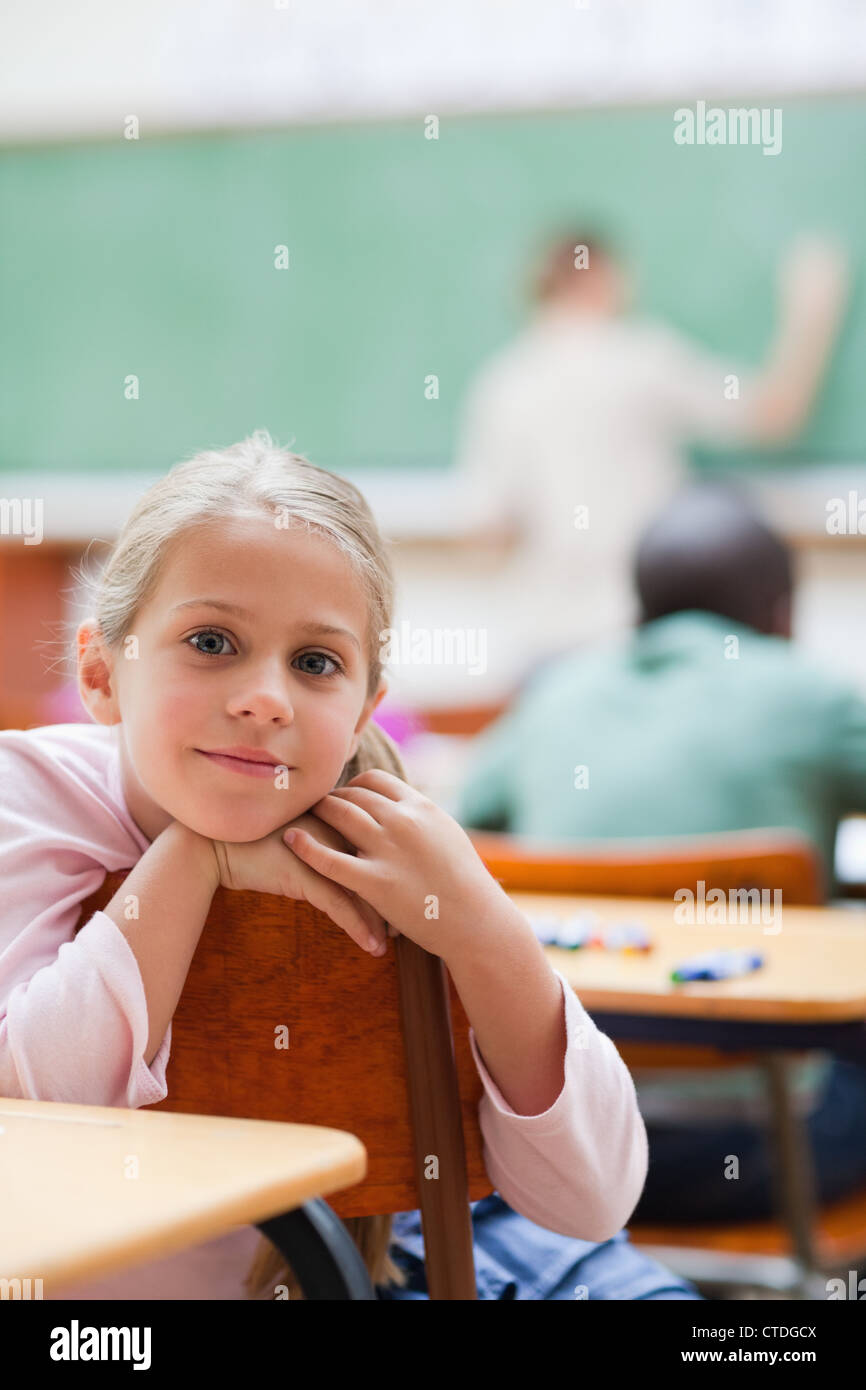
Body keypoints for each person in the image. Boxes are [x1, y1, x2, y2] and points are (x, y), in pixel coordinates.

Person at [1, 429, 698, 1300]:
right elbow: (27, 1128)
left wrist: (482, 925)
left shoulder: (394, 854)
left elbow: (592, 1197)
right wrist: (195, 855)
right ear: (102, 673)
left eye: (315, 662)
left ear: (367, 703)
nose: (264, 697)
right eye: (212, 641)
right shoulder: (25, 794)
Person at [455, 483, 866, 1222]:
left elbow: (454, 833)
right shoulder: (813, 698)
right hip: (774, 1146)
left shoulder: (555, 696)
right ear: (783, 614)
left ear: (638, 609)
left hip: (552, 1151)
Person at [451, 229, 849, 688]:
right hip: (635, 642)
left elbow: (484, 534)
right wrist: (813, 310)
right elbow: (774, 415)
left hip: (544, 651)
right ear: (601, 277)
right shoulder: (640, 358)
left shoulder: (502, 384)